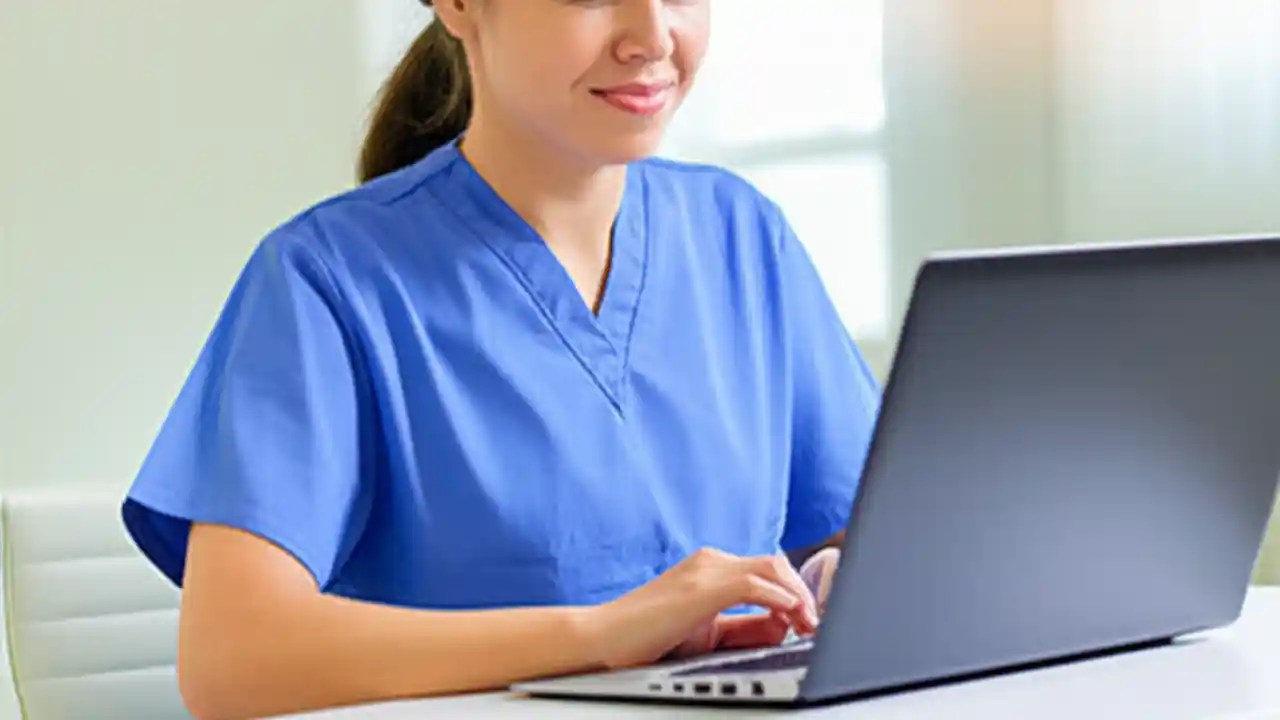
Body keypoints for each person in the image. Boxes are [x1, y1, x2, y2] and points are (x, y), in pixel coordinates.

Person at [121, 0, 881, 717]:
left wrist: (851, 582)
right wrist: (599, 637)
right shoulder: (327, 281)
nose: (651, 36)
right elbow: (232, 660)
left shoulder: (742, 236)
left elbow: (858, 532)